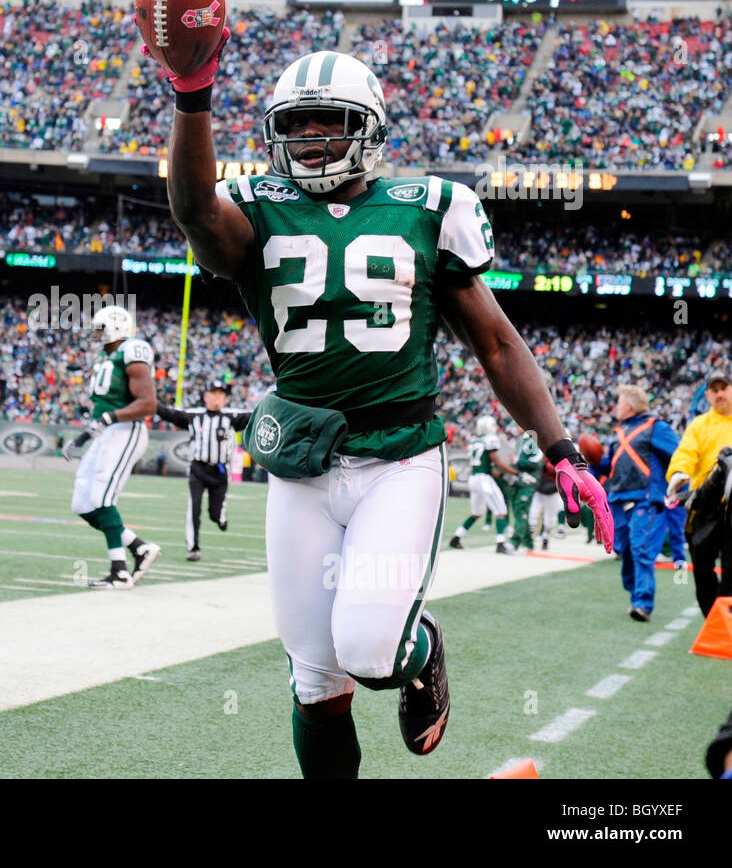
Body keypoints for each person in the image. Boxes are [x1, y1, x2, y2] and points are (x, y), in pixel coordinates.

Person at [160, 39, 613, 778]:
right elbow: (194, 210)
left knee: (370, 651)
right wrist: (192, 92)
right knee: (315, 683)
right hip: (303, 464)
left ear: (367, 127)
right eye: (295, 125)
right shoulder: (254, 208)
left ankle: (421, 646)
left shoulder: (428, 207)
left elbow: (496, 344)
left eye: (326, 122)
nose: (308, 139)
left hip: (400, 457)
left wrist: (561, 446)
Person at [62, 304, 162, 588]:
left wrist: (109, 417)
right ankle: (139, 547)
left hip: (126, 430)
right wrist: (82, 438)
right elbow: (104, 408)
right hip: (107, 432)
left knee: (103, 497)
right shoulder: (109, 357)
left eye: (101, 329)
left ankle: (119, 571)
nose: (97, 335)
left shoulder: (133, 349)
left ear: (116, 327)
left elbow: (148, 403)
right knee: (82, 502)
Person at [595, 385, 679, 622]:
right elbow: (610, 466)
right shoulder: (617, 432)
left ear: (629, 406)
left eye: (619, 402)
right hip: (617, 498)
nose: (616, 407)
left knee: (640, 547)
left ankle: (642, 603)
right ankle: (635, 594)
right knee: (625, 550)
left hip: (645, 498)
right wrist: (591, 460)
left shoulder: (657, 427)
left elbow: (678, 455)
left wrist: (673, 486)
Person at [156, 380, 250, 561]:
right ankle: (193, 548)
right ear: (205, 397)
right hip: (198, 468)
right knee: (194, 507)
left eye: (221, 395)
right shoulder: (194, 416)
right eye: (213, 394)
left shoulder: (231, 417)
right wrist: (151, 403)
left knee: (214, 515)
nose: (217, 398)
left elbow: (253, 416)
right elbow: (171, 414)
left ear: (225, 399)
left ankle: (220, 515)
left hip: (220, 470)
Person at [666, 370, 732, 615]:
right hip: (704, 506)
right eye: (714, 390)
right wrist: (677, 474)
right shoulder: (699, 425)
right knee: (702, 566)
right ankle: (712, 620)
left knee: (731, 570)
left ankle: (724, 625)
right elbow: (685, 454)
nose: (720, 393)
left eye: (723, 387)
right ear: (707, 395)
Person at [449, 415, 520, 552]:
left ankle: (456, 538)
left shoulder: (475, 441)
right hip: (484, 479)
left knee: (476, 512)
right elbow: (496, 460)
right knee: (501, 510)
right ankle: (500, 544)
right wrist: (514, 472)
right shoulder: (490, 440)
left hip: (474, 478)